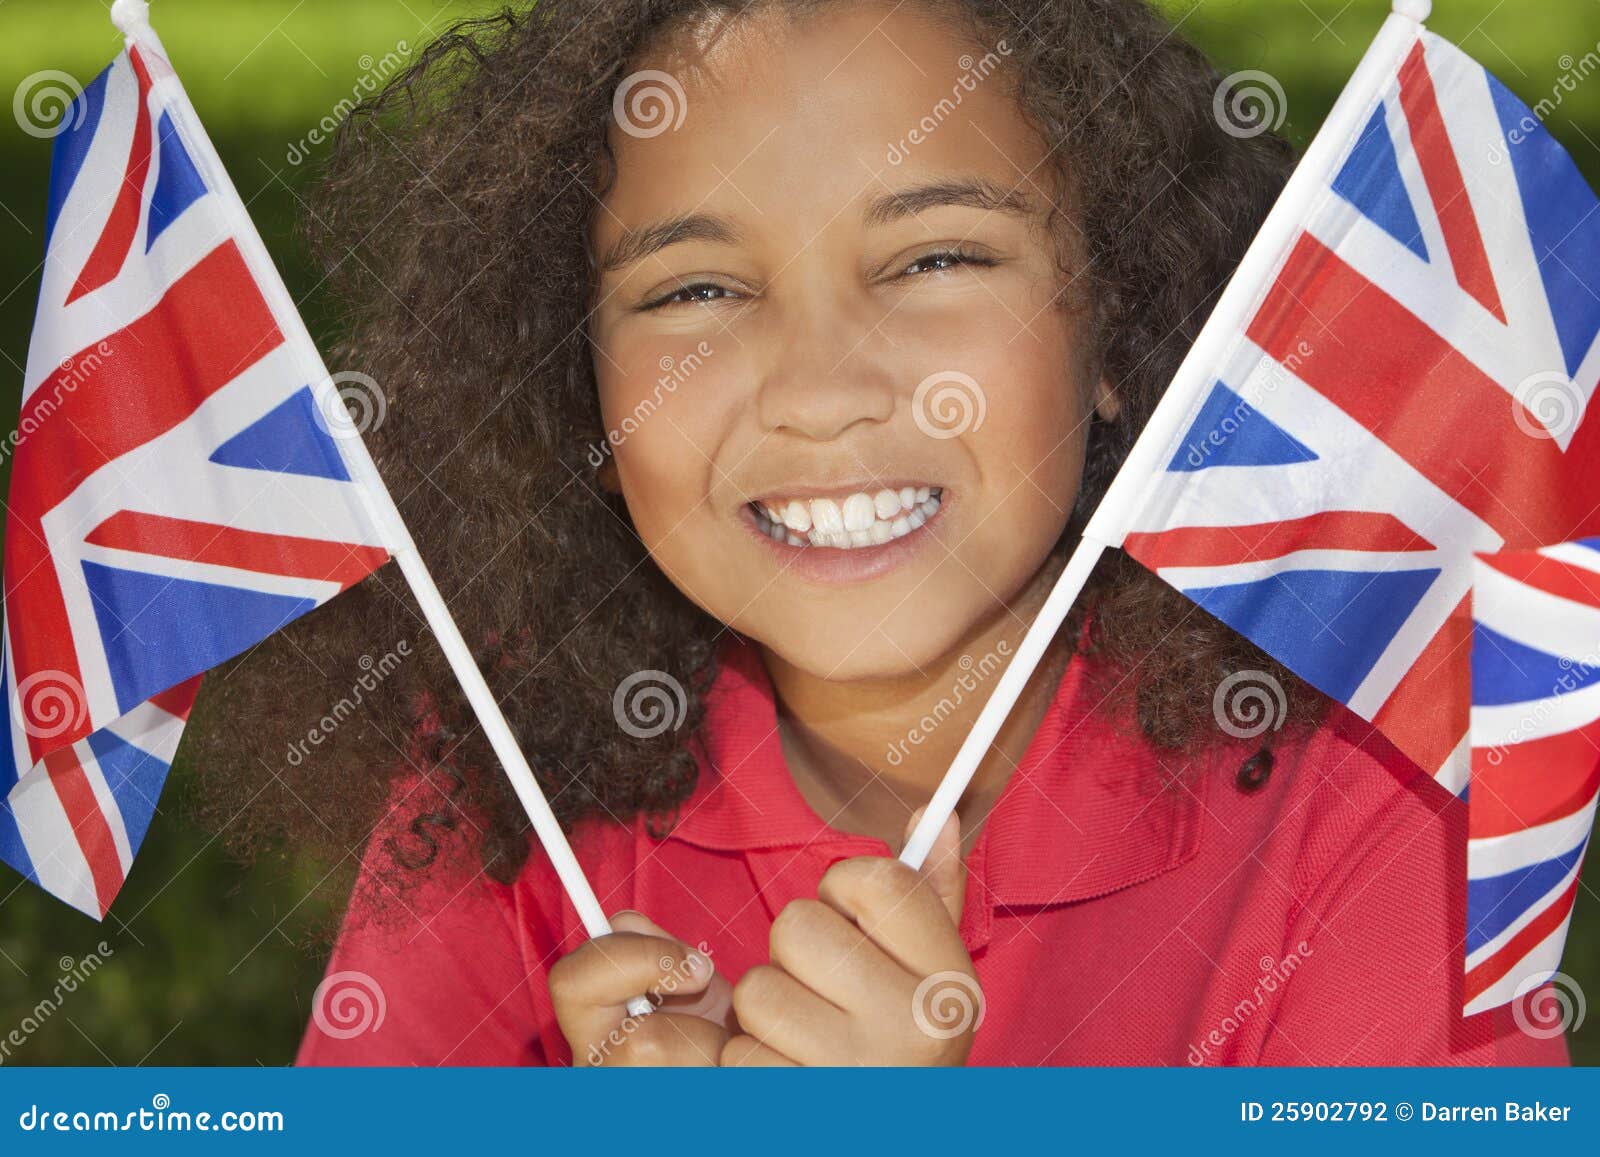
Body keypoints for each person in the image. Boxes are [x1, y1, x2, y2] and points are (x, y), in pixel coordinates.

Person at [193, 0, 1570, 1066]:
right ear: (579, 386)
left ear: (1120, 319)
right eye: (696, 289)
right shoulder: (505, 770)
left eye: (935, 259)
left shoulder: (1378, 790)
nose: (823, 392)